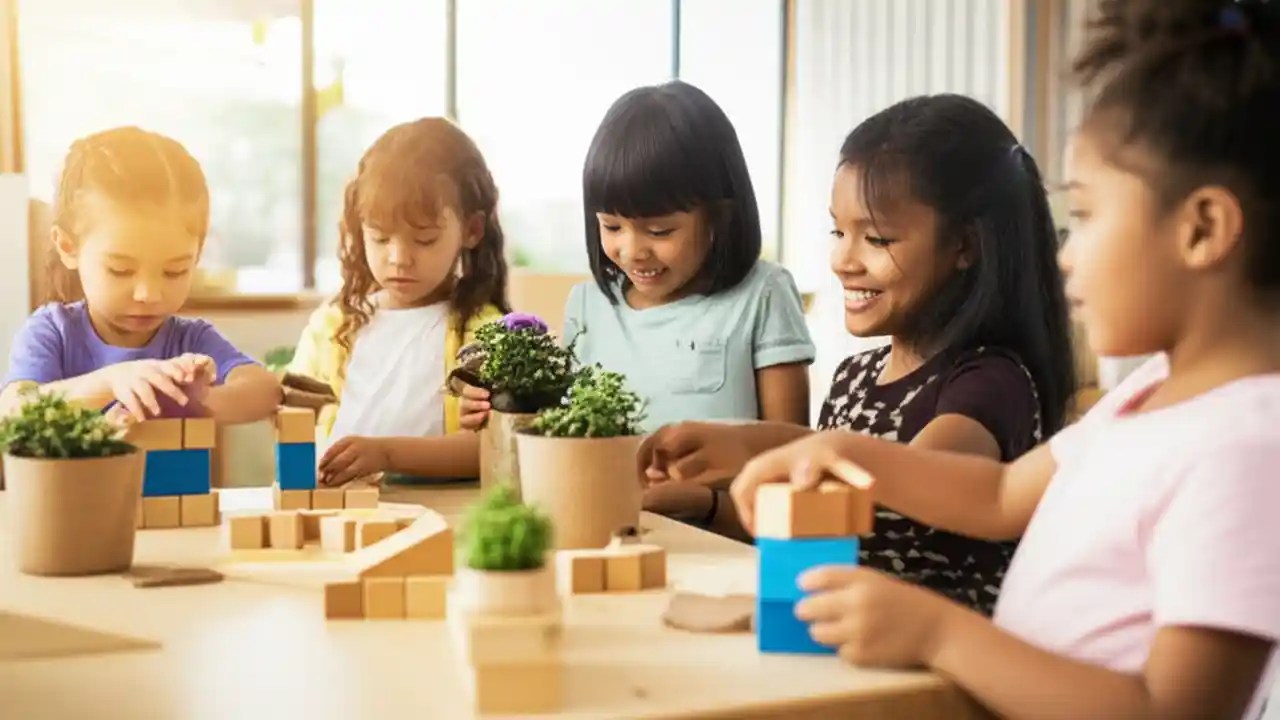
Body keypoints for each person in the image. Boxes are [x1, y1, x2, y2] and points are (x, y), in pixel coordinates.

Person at [731, 1, 1280, 716]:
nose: (1067, 254)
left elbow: (1169, 712)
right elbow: (996, 497)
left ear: (1202, 228)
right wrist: (838, 449)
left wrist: (934, 631)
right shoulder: (1149, 398)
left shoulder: (1244, 446)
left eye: (1085, 216)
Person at [639, 94, 1075, 615]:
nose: (843, 260)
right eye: (838, 231)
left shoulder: (989, 379)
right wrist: (711, 506)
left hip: (935, 675)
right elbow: (826, 526)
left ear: (965, 246)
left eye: (876, 238)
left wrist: (766, 447)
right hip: (846, 642)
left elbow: (930, 472)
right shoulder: (854, 378)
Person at [1, 127, 279, 424]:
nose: (148, 294)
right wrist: (111, 382)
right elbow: (12, 411)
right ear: (69, 247)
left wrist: (196, 403)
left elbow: (264, 389)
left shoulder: (192, 340)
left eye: (175, 271)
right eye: (120, 270)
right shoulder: (53, 332)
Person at [286, 118, 508, 486]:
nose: (399, 258)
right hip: (345, 513)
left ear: (471, 230)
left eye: (424, 240)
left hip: (444, 513)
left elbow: (491, 447)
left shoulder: (484, 332)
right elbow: (292, 421)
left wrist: (387, 453)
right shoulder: (334, 324)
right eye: (380, 238)